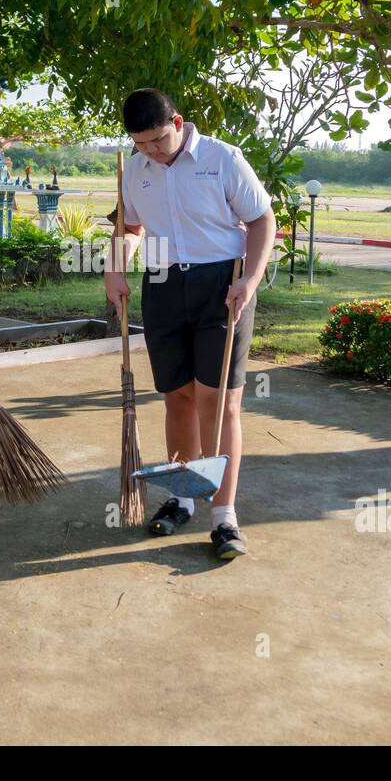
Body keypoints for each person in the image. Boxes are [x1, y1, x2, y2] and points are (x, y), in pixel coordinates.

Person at [104, 88, 276, 559]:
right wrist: (114, 269)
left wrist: (251, 281)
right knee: (177, 397)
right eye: (140, 144)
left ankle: (224, 517)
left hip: (222, 287)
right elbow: (131, 229)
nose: (151, 152)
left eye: (157, 140)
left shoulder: (222, 158)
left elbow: (262, 220)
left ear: (177, 123)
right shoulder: (136, 170)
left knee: (217, 403)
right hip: (161, 286)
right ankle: (182, 496)